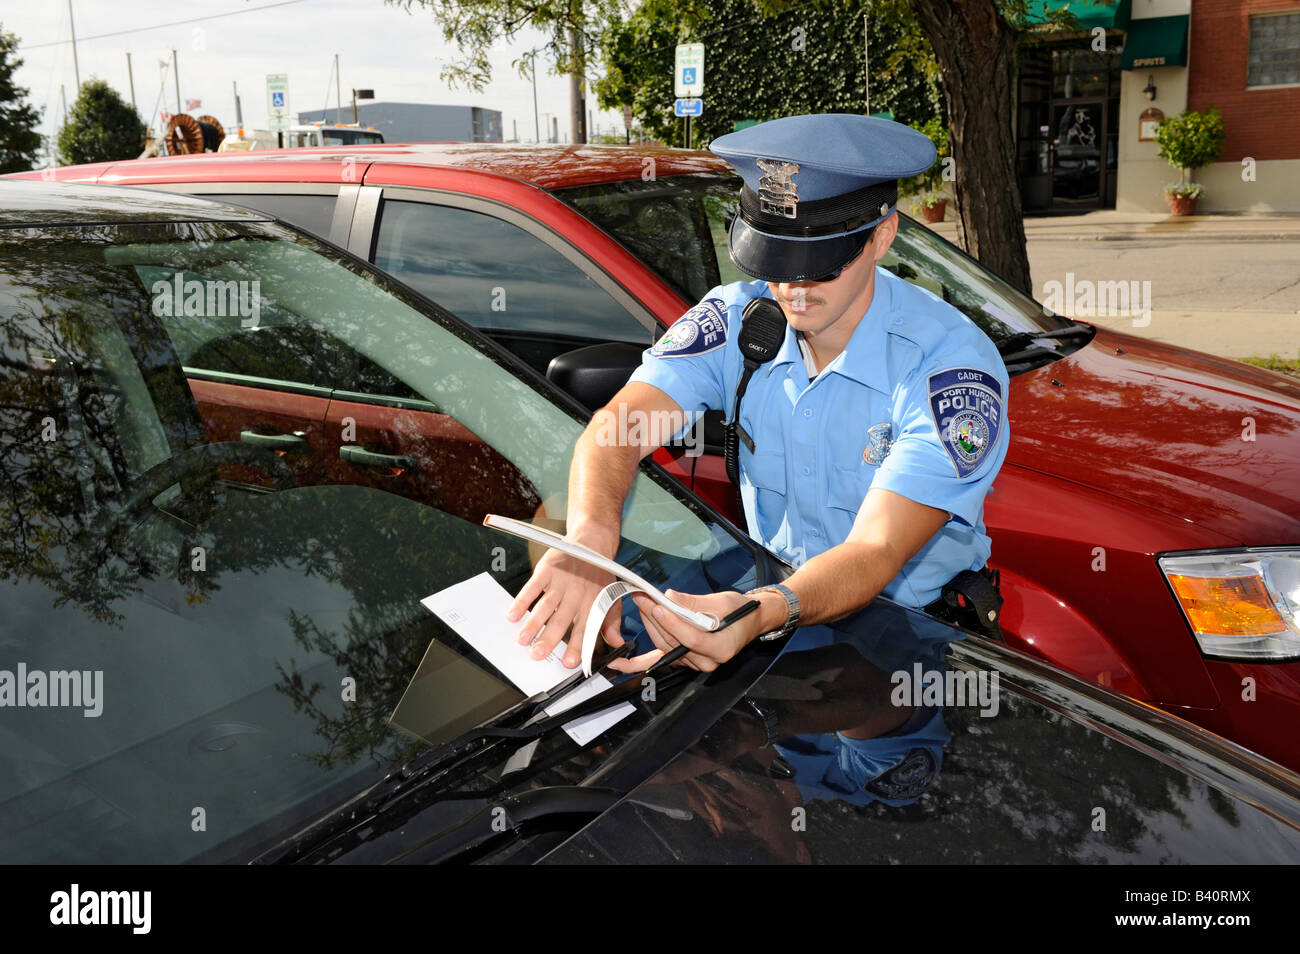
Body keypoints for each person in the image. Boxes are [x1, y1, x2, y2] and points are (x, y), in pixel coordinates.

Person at [507, 113, 1010, 674]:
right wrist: (591, 538)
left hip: (900, 641)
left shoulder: (949, 368)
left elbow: (876, 551)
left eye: (818, 263)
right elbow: (615, 430)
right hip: (768, 603)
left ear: (881, 236)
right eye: (775, 261)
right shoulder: (738, 318)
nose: (793, 288)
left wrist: (761, 612)